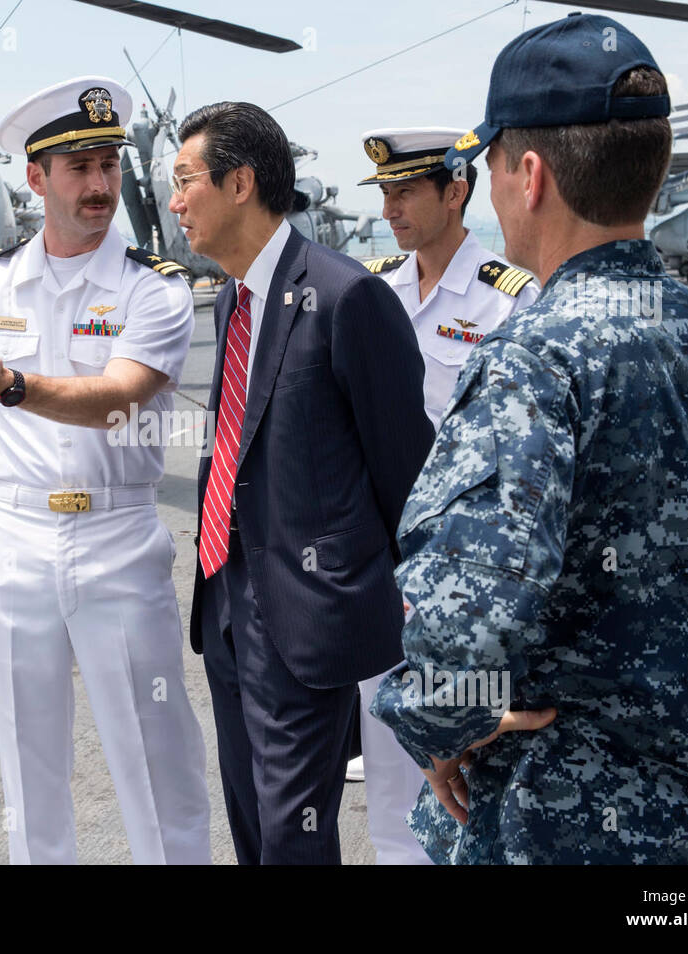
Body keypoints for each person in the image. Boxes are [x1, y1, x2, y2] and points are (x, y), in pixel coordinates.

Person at [371, 13, 688, 864]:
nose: (494, 188)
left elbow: (466, 620)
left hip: (554, 822)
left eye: (493, 164)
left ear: (528, 174)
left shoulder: (535, 360)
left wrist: (432, 719)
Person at [0, 76, 210, 865]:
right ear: (36, 179)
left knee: (153, 759)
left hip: (117, 535)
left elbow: (122, 393)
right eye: (79, 168)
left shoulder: (155, 288)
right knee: (28, 764)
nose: (101, 183)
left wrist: (12, 384)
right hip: (13, 538)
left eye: (108, 164)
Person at [168, 101, 434, 864]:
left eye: (187, 181)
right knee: (251, 819)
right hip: (225, 596)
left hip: (304, 612)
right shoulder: (232, 299)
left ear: (241, 182)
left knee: (293, 832)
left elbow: (406, 471)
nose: (176, 202)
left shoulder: (347, 297)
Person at [347, 127, 538, 864]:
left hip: (463, 565)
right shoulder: (371, 289)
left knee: (466, 753)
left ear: (456, 191)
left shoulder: (506, 299)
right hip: (378, 554)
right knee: (389, 747)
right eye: (385, 194)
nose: (391, 208)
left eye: (406, 192)